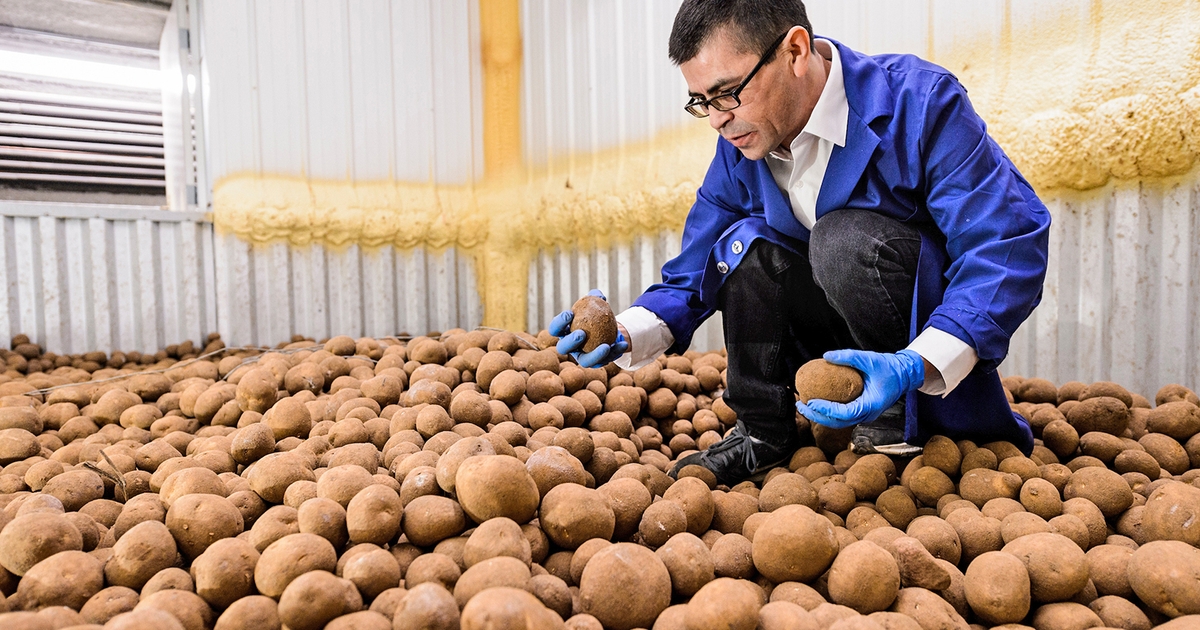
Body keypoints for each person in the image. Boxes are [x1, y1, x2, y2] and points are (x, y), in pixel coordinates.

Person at [550, 0, 1050, 488]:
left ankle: (904, 417)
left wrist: (916, 363)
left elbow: (1006, 241)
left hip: (917, 343)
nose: (716, 120)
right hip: (823, 351)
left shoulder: (918, 103)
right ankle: (764, 431)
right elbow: (696, 266)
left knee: (840, 242)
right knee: (743, 245)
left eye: (726, 93)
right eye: (701, 102)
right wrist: (628, 332)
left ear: (794, 50)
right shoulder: (744, 146)